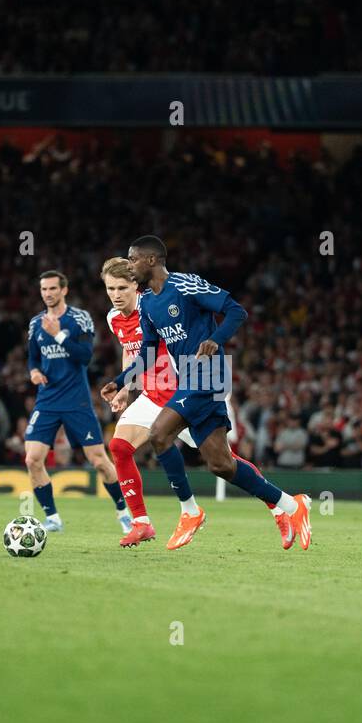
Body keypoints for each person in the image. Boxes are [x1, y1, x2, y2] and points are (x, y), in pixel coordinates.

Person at [100, 236, 312, 551]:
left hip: (208, 372)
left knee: (159, 434)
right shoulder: (147, 303)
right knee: (221, 464)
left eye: (133, 261)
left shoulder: (186, 285)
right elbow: (145, 352)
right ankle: (292, 506)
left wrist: (214, 339)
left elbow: (236, 311)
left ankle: (190, 512)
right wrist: (120, 380)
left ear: (152, 261)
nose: (129, 267)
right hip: (187, 376)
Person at [24, 270, 130, 534]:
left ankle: (123, 511)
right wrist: (34, 372)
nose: (47, 294)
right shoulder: (36, 323)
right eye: (43, 290)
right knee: (32, 460)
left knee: (98, 460)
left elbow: (84, 357)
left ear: (64, 290)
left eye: (52, 289)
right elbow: (33, 358)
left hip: (76, 401)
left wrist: (60, 335)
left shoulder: (79, 318)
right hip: (47, 401)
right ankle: (52, 519)